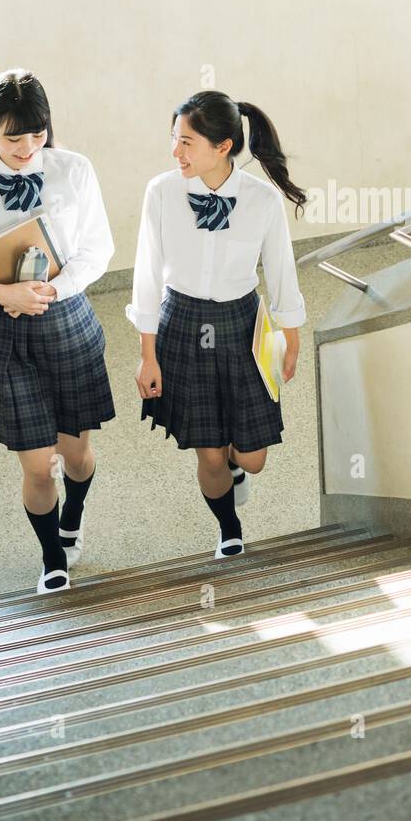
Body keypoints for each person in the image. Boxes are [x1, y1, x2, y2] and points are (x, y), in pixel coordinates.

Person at [0, 68, 115, 594]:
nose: (27, 147)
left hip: (66, 320)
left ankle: (73, 518)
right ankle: (51, 557)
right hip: (4, 328)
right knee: (39, 467)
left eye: (38, 134)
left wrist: (54, 290)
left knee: (76, 454)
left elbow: (97, 248)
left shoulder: (74, 170)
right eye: (14, 137)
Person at [126, 91, 305, 558]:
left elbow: (282, 270)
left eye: (187, 142)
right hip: (181, 322)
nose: (175, 152)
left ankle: (236, 464)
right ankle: (229, 526)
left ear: (223, 146)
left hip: (242, 323)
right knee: (209, 453)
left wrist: (292, 337)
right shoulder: (161, 192)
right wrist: (147, 355)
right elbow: (146, 275)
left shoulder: (262, 201)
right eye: (174, 140)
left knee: (252, 457)